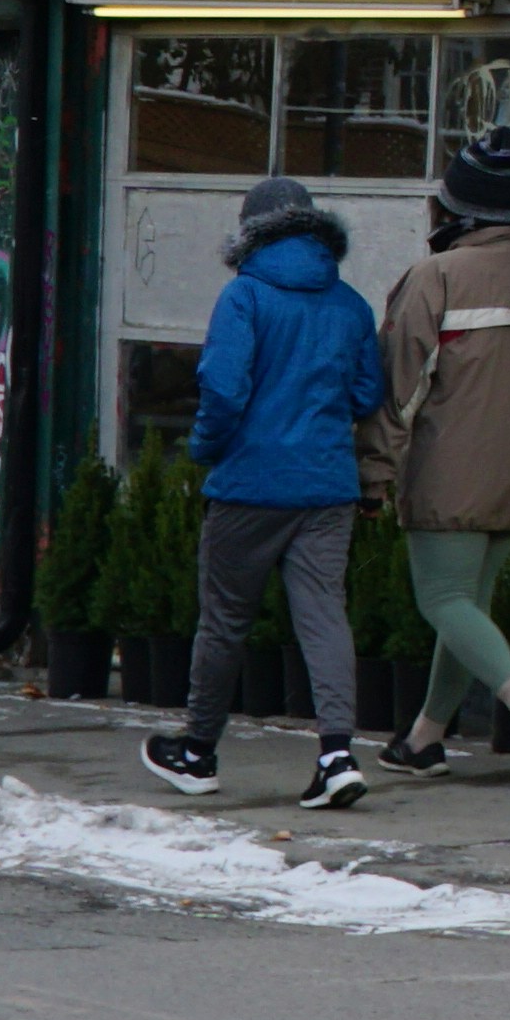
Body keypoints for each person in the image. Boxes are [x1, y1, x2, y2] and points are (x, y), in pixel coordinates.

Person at [140, 174, 386, 809]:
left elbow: (223, 389)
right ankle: (336, 755)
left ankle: (197, 752)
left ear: (250, 233)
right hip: (328, 488)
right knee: (325, 616)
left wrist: (206, 447)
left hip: (249, 486)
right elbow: (365, 395)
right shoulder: (352, 305)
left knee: (224, 620)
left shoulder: (243, 296)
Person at [364, 131, 510, 787]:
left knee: (443, 598)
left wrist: (374, 478)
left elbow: (399, 391)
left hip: (448, 469)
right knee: (469, 607)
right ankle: (424, 739)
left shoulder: (435, 276)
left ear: (456, 211)